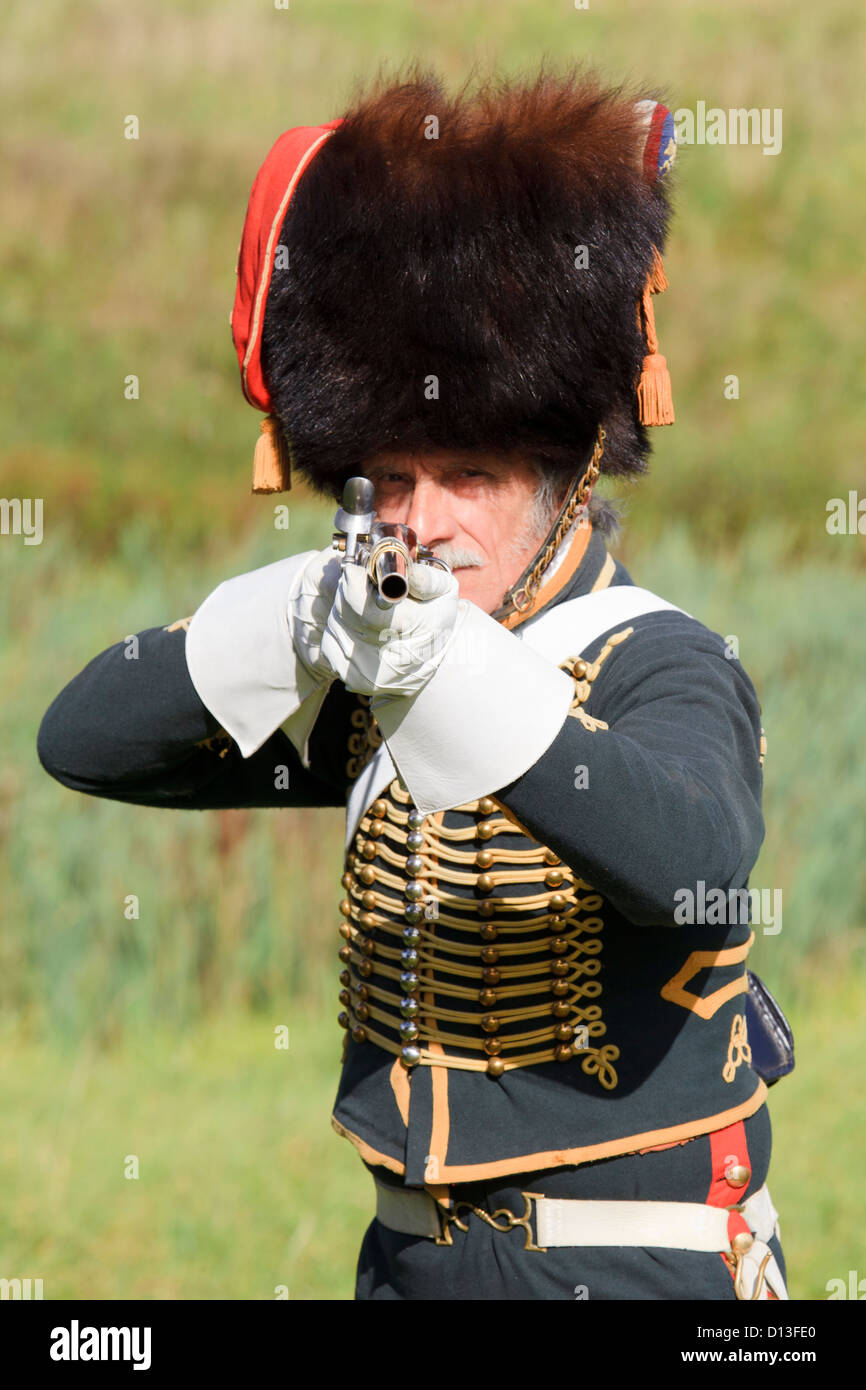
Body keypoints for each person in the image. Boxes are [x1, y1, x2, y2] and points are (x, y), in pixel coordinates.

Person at [37, 63, 790, 1300]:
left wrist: (453, 673)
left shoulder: (663, 658)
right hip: (406, 1260)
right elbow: (88, 739)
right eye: (388, 478)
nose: (420, 521)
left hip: (626, 1269)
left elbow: (691, 856)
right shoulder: (370, 664)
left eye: (470, 476)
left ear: (563, 473)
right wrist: (290, 618)